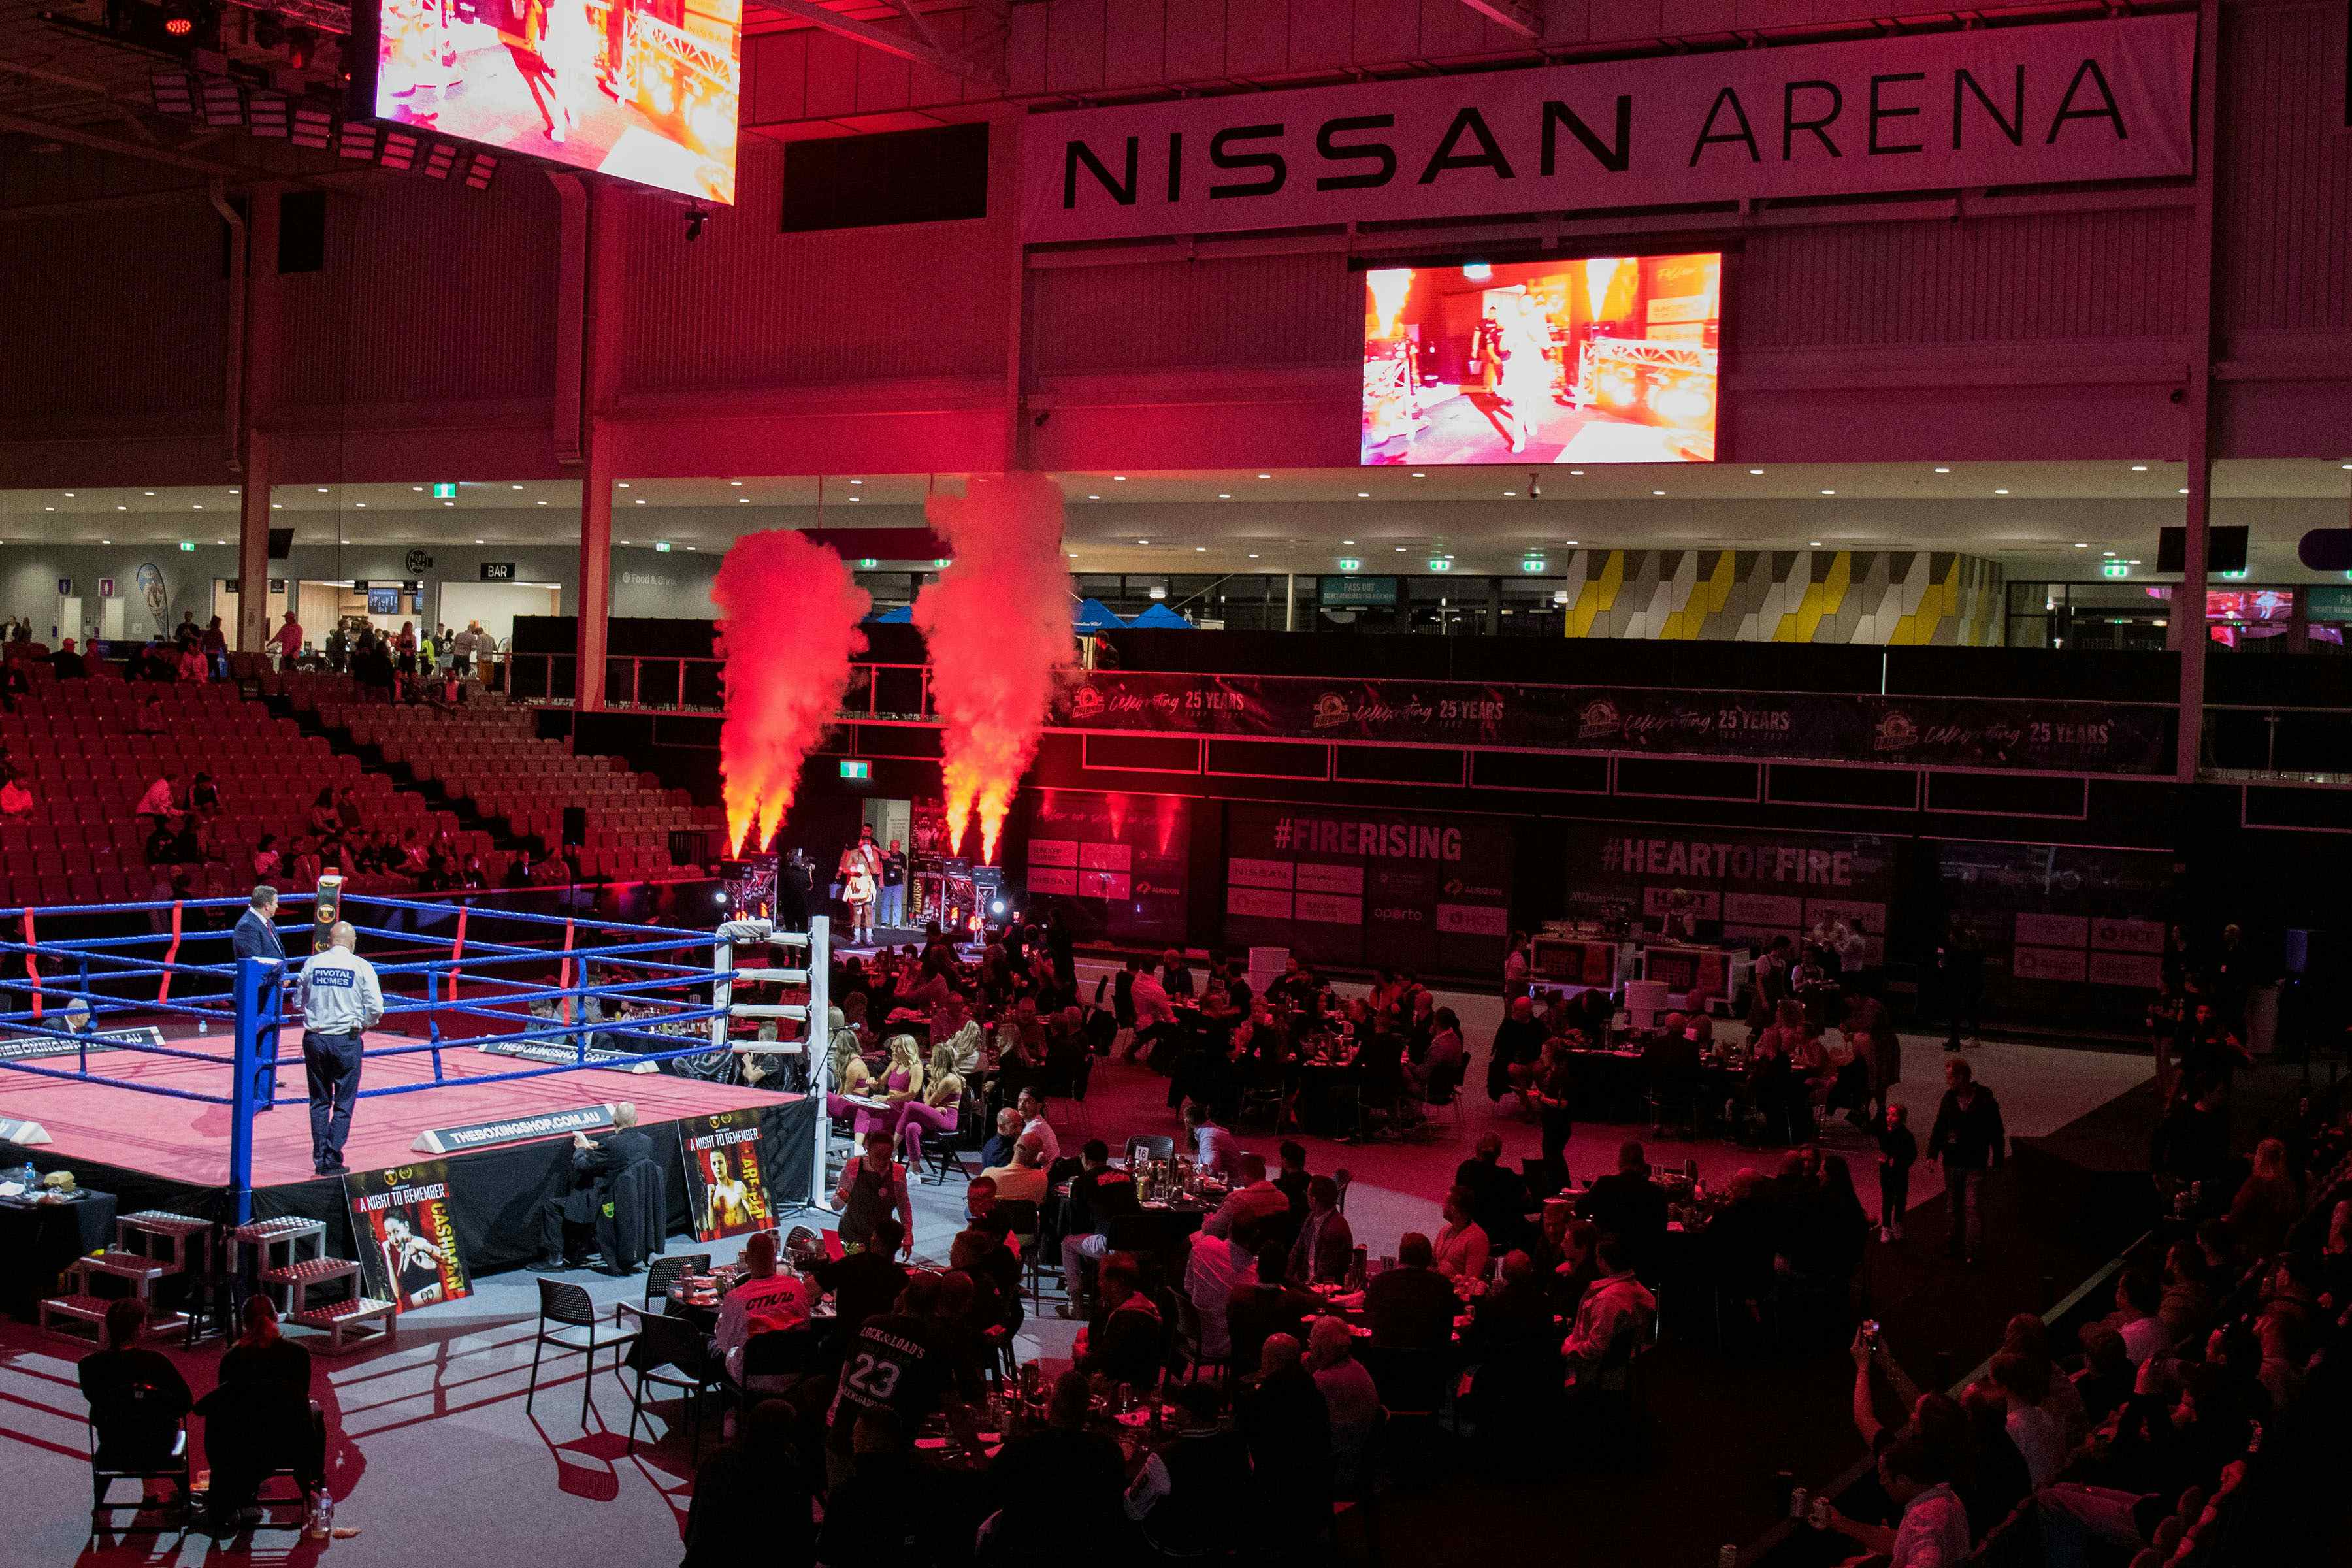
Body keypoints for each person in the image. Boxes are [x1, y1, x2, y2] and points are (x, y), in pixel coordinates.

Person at [195, 1296, 317, 1534]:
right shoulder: (298, 1354)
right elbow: (301, 1397)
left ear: (244, 1324)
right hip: (288, 1446)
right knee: (313, 1412)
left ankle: (235, 1491)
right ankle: (311, 1482)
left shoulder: (232, 1359)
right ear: (276, 1319)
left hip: (241, 1447)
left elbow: (226, 1404)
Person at [983, 1371, 1126, 1551]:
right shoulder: (1108, 1453)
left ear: (1050, 1407)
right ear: (1086, 1410)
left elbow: (990, 1489)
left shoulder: (1021, 1449)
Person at [78, 1298, 194, 1497]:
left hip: (114, 1447)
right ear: (140, 1328)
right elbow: (185, 1402)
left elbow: (98, 1404)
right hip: (159, 1448)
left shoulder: (90, 1365)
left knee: (133, 1421)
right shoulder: (157, 1362)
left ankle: (106, 1505)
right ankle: (160, 1495)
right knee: (151, 1421)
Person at [680, 1398, 815, 1568]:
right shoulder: (791, 1473)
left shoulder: (717, 1460)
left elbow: (696, 1517)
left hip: (707, 1557)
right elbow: (801, 1537)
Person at [1122, 1380, 1252, 1557]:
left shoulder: (1165, 1458)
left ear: (1188, 1414)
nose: (1175, 1409)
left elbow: (1133, 1509)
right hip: (1220, 1542)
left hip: (1176, 1548)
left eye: (1179, 1406)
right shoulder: (1237, 1444)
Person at [293, 920, 381, 1176]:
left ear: (329, 941)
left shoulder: (313, 963)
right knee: (344, 1102)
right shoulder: (361, 966)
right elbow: (376, 1007)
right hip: (346, 1040)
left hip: (316, 1039)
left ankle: (321, 1159)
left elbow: (299, 1001)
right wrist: (365, 1025)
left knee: (319, 1101)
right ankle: (331, 1158)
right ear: (352, 943)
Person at [1239, 1333, 1333, 1552]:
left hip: (1277, 1488)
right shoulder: (1313, 1390)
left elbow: (1249, 1441)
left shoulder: (1263, 1399)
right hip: (1314, 1486)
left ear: (1270, 1361)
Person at [532, 1101, 652, 1269]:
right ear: (637, 1119)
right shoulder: (646, 1142)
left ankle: (555, 1258)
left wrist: (581, 1149)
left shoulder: (611, 1145)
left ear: (615, 1120)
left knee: (551, 1207)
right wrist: (598, 1148)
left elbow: (583, 1166)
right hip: (632, 1199)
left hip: (604, 1202)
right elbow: (620, 1157)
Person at [1925, 1056, 2004, 1264]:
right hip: (1953, 1160)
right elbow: (1939, 1126)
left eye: (1950, 1077)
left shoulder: (1985, 1101)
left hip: (1973, 1161)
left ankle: (1972, 1248)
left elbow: (1996, 1132)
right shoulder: (1949, 1099)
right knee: (1955, 1204)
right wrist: (1932, 1154)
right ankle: (1954, 1243)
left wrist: (1997, 1159)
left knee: (1971, 1205)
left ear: (1961, 1077)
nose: (1947, 1081)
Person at [707, 1232, 810, 1387]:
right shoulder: (797, 1287)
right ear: (774, 1256)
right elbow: (806, 1327)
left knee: (710, 1345)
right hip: (796, 1374)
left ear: (747, 1260)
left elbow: (725, 1346)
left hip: (752, 1378)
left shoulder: (736, 1298)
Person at [1558, 1233, 1655, 1394]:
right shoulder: (1636, 1288)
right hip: (1625, 1361)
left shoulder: (1607, 1299)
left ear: (1603, 1261)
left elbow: (1596, 1347)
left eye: (1597, 1257)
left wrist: (1571, 1348)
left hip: (1603, 1370)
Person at [1057, 1138, 1141, 1318]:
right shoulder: (1127, 1177)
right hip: (1139, 1242)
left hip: (1109, 1243)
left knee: (1067, 1243)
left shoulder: (1082, 1182)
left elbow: (1077, 1221)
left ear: (1085, 1158)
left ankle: (1076, 1300)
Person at [805, 1217, 909, 1347]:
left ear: (874, 1239)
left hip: (844, 1341)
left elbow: (808, 1289)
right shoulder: (903, 1280)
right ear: (899, 1246)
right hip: (879, 1347)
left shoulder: (850, 1264)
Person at [1307, 1314, 1380, 1494]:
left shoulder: (1324, 1381)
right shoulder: (1356, 1368)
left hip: (1339, 1466)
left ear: (1320, 1348)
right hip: (1360, 1457)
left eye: (1312, 1344)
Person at [1576, 1141, 1669, 1276]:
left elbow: (1580, 1209)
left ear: (1620, 1162)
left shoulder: (1605, 1185)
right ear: (1642, 1164)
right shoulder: (1657, 1192)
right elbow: (1662, 1231)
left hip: (1609, 1262)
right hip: (1646, 1264)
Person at [1075, 1251, 1165, 1388]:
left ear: (1117, 1283)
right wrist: (1085, 1336)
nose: (1099, 1284)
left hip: (1128, 1389)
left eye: (1102, 1279)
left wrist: (1082, 1355)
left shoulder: (1132, 1319)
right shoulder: (1122, 1304)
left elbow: (1108, 1362)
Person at [1364, 1232, 1456, 1351]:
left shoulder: (1379, 1282)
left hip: (1383, 1363)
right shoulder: (1444, 1285)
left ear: (1401, 1255)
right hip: (1433, 1363)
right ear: (1429, 1258)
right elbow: (1447, 1328)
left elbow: (1368, 1315)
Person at [831, 1128, 916, 1256]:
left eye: (886, 1157)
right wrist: (842, 1199)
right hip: (852, 1233)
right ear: (868, 1150)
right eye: (877, 1156)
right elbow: (835, 1206)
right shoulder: (853, 1166)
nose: (882, 1162)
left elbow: (904, 1207)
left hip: (882, 1238)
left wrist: (908, 1237)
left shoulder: (898, 1172)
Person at [1454, 1134, 1531, 1251]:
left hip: (1471, 1230)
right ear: (1499, 1154)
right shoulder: (1507, 1176)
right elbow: (1526, 1198)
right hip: (1504, 1233)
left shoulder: (1464, 1170)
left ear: (1476, 1150)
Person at [1200, 1151, 1286, 1239]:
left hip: (1237, 1248)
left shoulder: (1238, 1200)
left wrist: (1209, 1219)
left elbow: (1210, 1231)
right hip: (1267, 1249)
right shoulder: (1283, 1198)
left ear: (1244, 1176)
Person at [1288, 1174, 1354, 1286]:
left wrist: (1300, 1288)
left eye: (1307, 1194)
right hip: (1309, 1286)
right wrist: (1285, 1278)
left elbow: (1325, 1273)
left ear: (1313, 1200)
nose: (1306, 1197)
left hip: (1325, 1291)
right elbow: (1297, 1251)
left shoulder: (1335, 1229)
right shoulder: (1312, 1218)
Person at [1874, 1102, 1918, 1242]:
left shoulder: (1907, 1135)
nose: (1889, 1118)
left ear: (1901, 1118)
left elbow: (1912, 1154)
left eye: (1894, 1115)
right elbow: (1883, 1148)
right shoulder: (1884, 1132)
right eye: (1888, 1114)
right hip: (1886, 1171)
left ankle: (1898, 1224)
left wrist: (1900, 1162)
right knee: (1887, 1198)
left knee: (1900, 1199)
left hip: (1900, 1172)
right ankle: (1886, 1226)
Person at [1488, 994, 1544, 1102]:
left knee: (1539, 1070)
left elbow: (1546, 1041)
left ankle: (1546, 1099)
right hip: (1513, 1061)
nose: (1514, 1012)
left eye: (1519, 1010)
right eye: (1515, 1009)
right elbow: (1501, 1048)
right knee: (1515, 1071)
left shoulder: (1537, 1025)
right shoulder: (1508, 1024)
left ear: (1528, 1011)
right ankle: (1526, 1101)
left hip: (1533, 1060)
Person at [233, 884, 284, 965]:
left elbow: (280, 956)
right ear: (267, 906)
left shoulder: (269, 922)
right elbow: (255, 962)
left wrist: (284, 975)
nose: (277, 906)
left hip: (277, 975)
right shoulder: (247, 927)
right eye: (276, 903)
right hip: (263, 977)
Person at [1014, 1086, 1060, 1169]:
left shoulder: (1032, 1129)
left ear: (1039, 1106)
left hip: (1045, 1175)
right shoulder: (1039, 1122)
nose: (1021, 1105)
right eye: (1020, 1100)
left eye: (1027, 1101)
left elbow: (1020, 1162)